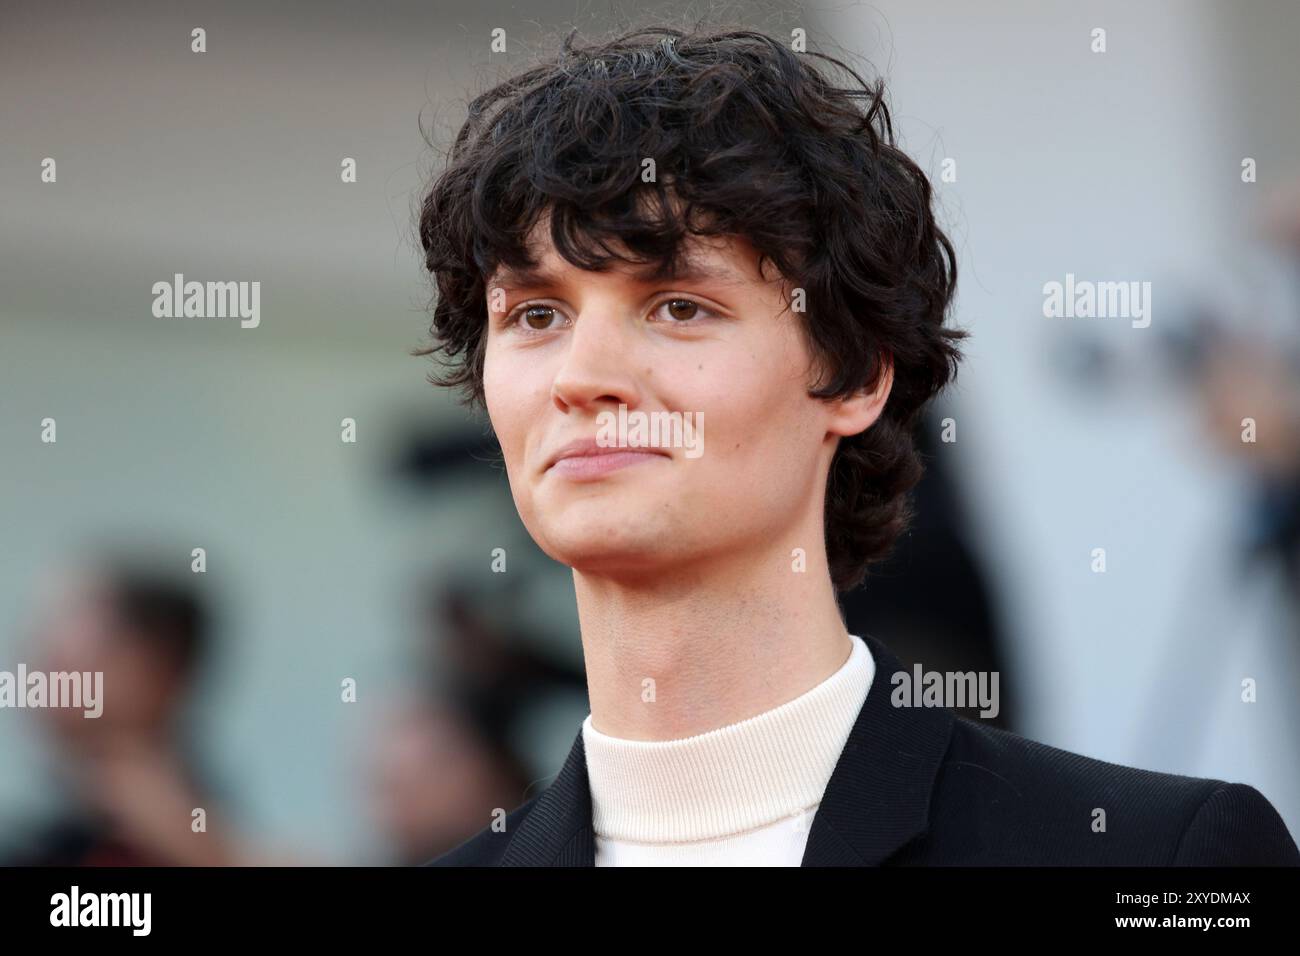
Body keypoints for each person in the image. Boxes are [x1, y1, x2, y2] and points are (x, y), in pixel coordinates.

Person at [415, 25, 1299, 866]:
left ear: (852, 376)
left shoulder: (1154, 860)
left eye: (679, 306)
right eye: (536, 314)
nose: (582, 375)